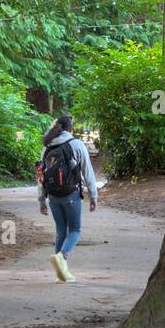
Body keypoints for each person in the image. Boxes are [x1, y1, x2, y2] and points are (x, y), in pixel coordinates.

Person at [37, 113, 97, 283]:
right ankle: (62, 257)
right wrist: (93, 195)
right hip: (71, 193)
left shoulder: (47, 146)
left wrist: (41, 200)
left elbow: (41, 174)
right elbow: (88, 171)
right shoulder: (76, 144)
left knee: (61, 232)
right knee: (75, 230)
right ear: (71, 129)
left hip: (53, 196)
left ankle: (61, 274)